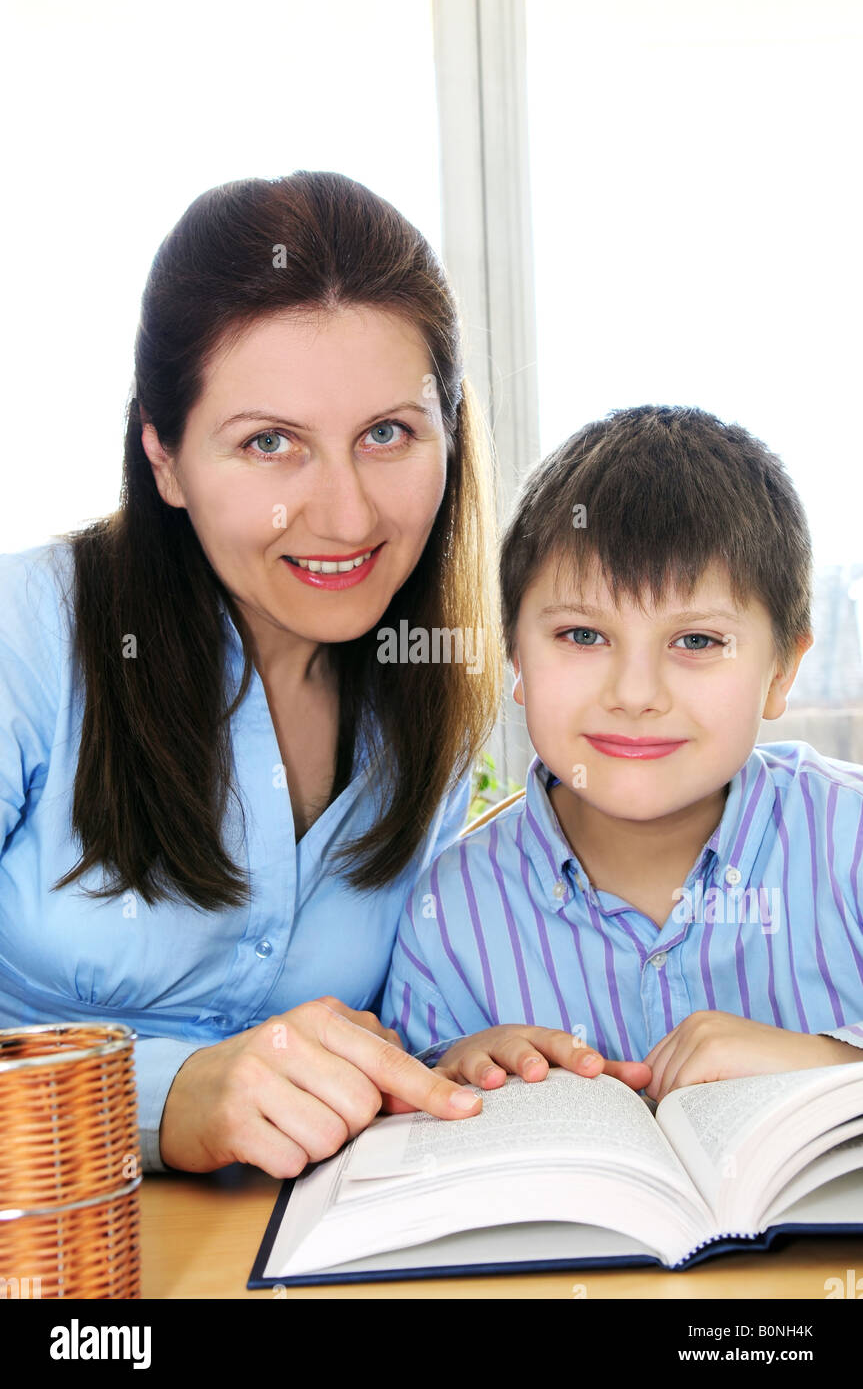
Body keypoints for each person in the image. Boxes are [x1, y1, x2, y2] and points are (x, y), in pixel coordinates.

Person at [0, 169, 596, 1180]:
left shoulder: (432, 692)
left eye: (387, 435)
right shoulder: (30, 637)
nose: (345, 516)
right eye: (269, 443)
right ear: (164, 453)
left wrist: (443, 1059)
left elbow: (359, 1025)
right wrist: (166, 1096)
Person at [384, 404, 863, 1097]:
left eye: (695, 641)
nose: (635, 695)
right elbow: (394, 1149)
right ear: (515, 656)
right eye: (582, 636)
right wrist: (450, 1077)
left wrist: (829, 1064)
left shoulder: (848, 844)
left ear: (781, 671)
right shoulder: (449, 915)